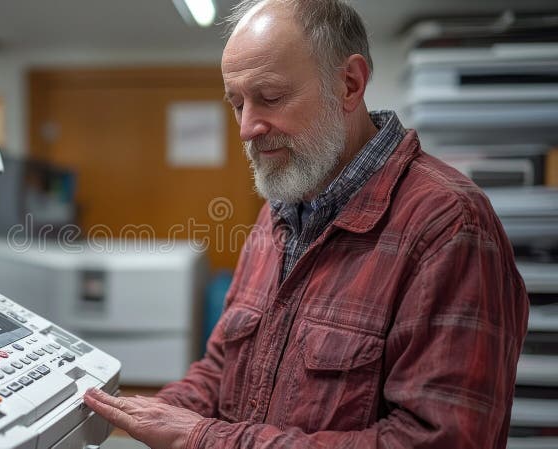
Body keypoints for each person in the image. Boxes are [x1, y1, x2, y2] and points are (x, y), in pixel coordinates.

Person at [83, 0, 529, 447]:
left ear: (349, 85)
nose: (246, 128)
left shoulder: (449, 225)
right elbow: (222, 368)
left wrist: (203, 438)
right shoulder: (280, 209)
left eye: (270, 97)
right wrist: (159, 412)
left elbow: (440, 440)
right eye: (237, 104)